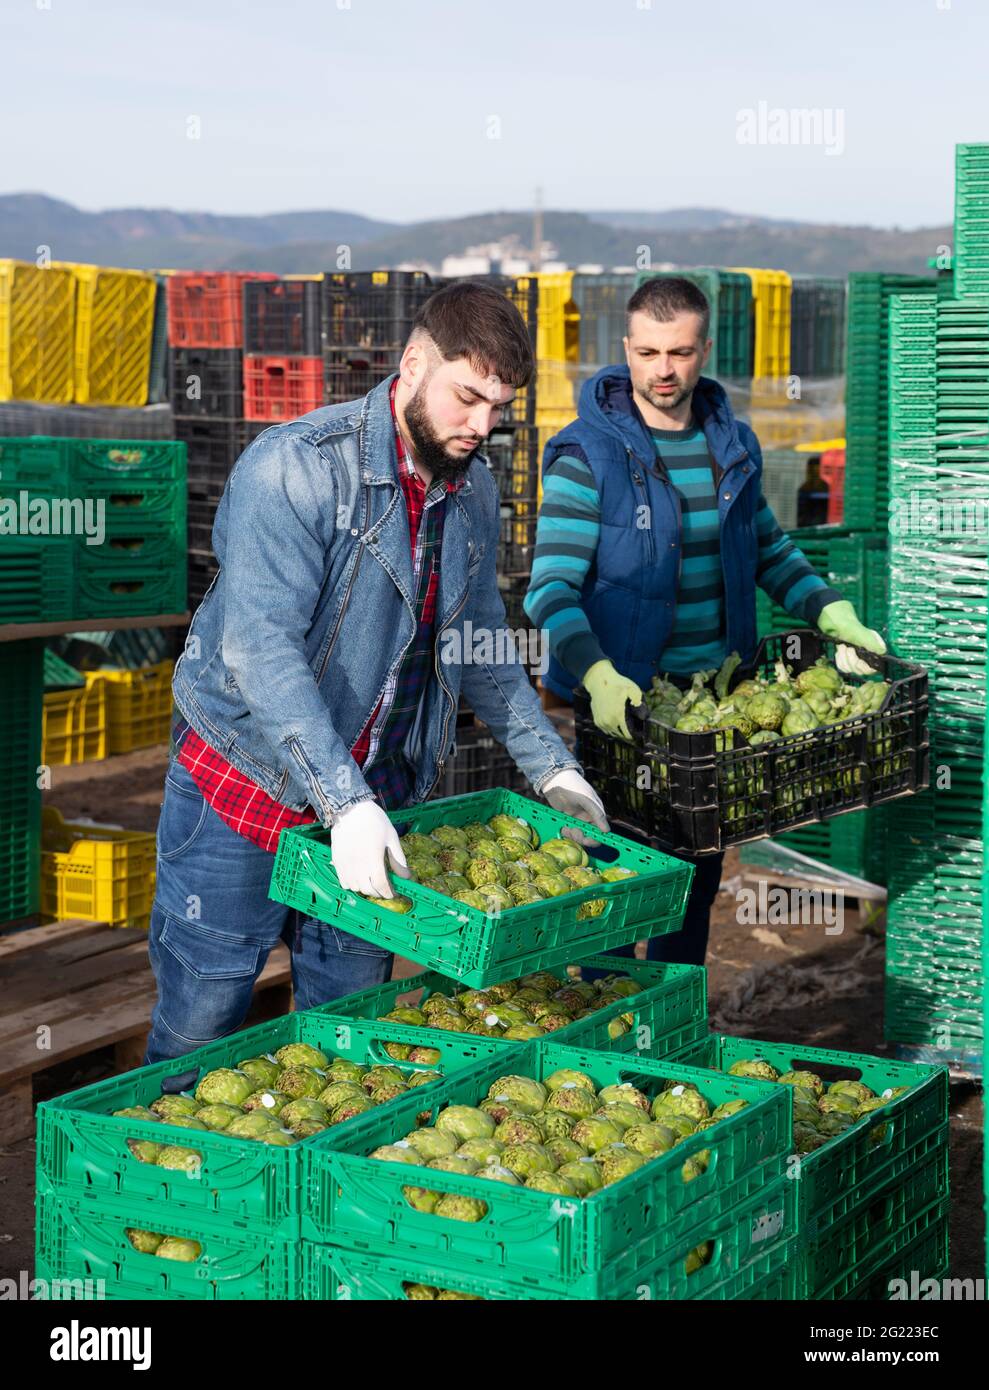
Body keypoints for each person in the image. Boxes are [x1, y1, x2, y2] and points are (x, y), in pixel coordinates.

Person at [144, 281, 607, 1065]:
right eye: (467, 398)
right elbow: (261, 651)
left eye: (498, 407)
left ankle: (321, 1185)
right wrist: (342, 801)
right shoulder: (296, 468)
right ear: (414, 363)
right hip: (245, 786)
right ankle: (161, 1176)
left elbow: (478, 641)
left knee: (354, 1036)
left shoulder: (473, 491)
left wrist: (554, 770)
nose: (481, 425)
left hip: (374, 805)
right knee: (203, 1020)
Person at [523, 275, 885, 968]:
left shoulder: (731, 443)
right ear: (626, 349)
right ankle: (606, 1033)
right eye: (650, 352)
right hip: (619, 712)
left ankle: (671, 1033)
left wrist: (830, 612)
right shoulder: (587, 454)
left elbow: (769, 552)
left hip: (708, 714)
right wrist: (595, 673)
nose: (664, 370)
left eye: (681, 352)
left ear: (704, 350)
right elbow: (550, 589)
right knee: (610, 881)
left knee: (694, 882)